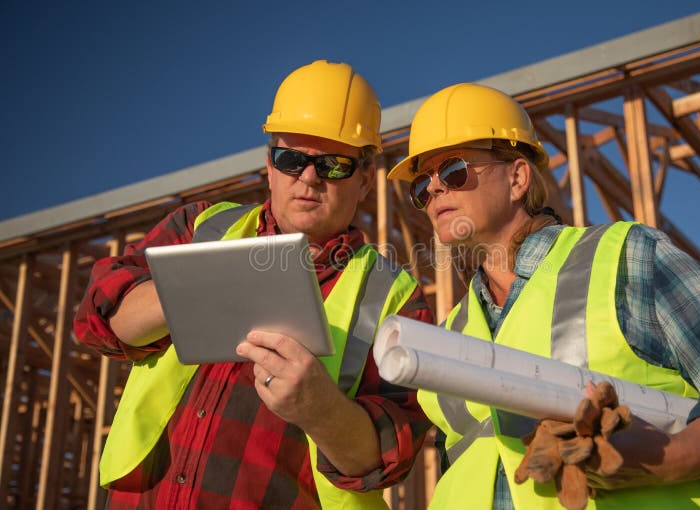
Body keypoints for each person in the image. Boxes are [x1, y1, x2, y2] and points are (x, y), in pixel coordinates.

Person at [386, 82, 700, 509]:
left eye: (453, 171)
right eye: (422, 184)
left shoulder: (624, 259)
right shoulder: (452, 332)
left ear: (517, 177)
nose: (434, 189)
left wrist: (668, 459)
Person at [74, 60, 434, 509]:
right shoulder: (201, 227)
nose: (308, 177)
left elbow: (392, 454)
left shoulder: (391, 297)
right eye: (291, 159)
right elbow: (99, 318)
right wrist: (195, 287)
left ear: (364, 179)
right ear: (269, 165)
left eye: (334, 165)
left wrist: (321, 410)